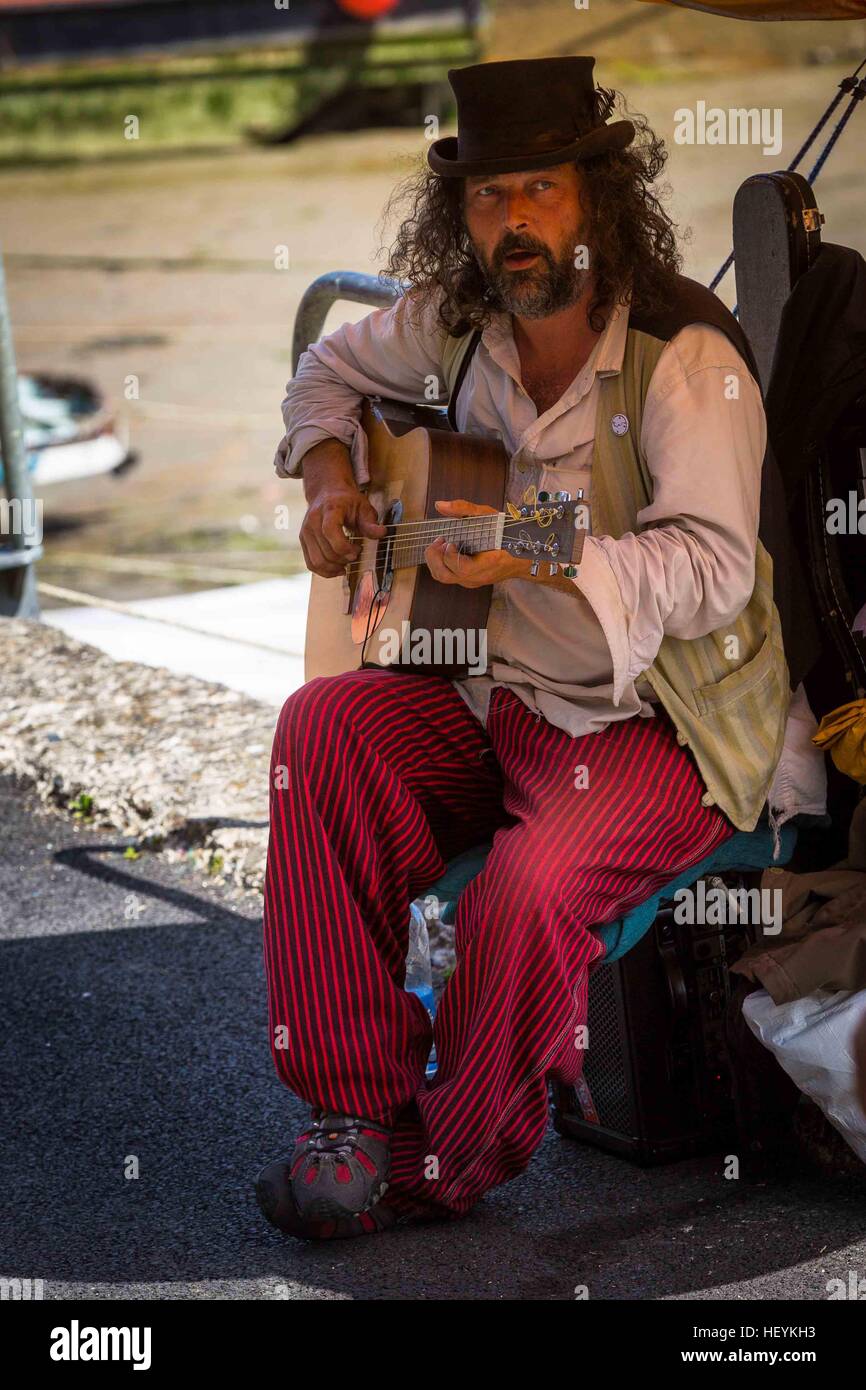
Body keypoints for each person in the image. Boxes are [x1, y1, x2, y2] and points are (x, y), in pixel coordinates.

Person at [256, 55, 798, 1240]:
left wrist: (532, 543)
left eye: (540, 191)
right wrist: (330, 475)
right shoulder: (455, 328)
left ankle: (441, 1161)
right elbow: (322, 370)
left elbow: (711, 572)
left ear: (597, 201)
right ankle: (349, 1113)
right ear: (460, 214)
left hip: (661, 721)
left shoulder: (681, 360)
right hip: (503, 703)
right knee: (320, 736)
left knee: (527, 889)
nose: (514, 223)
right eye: (490, 197)